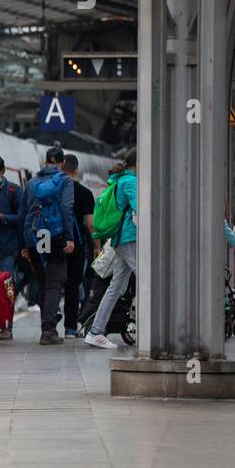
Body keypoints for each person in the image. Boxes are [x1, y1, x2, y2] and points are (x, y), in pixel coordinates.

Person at [20, 146, 76, 345]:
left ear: (45, 162)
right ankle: (48, 329)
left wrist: (25, 243)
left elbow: (23, 212)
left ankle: (48, 322)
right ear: (61, 163)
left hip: (34, 236)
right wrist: (69, 237)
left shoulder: (32, 182)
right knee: (54, 283)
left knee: (43, 282)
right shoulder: (65, 180)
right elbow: (66, 208)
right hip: (53, 236)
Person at [87, 148, 137, 349]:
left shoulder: (122, 180)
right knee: (149, 282)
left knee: (117, 286)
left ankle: (95, 331)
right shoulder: (131, 182)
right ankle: (154, 331)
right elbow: (140, 208)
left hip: (120, 239)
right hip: (129, 238)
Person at [62, 154, 95, 338]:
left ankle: (48, 326)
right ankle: (70, 328)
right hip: (77, 245)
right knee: (72, 286)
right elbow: (90, 224)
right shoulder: (85, 193)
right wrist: (97, 246)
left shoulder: (54, 190)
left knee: (51, 285)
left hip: (54, 244)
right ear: (76, 171)